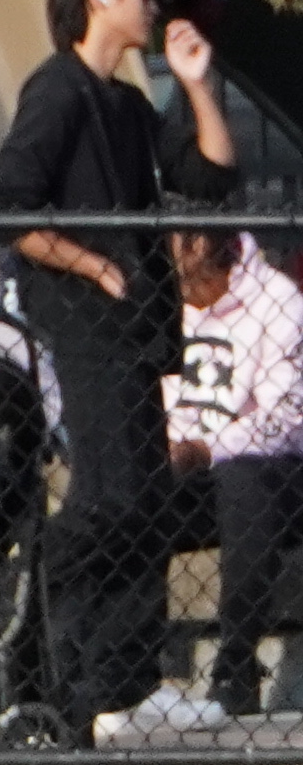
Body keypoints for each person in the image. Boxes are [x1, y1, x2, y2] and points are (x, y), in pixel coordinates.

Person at [0, 0, 236, 745]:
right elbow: (6, 205)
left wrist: (194, 84)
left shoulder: (125, 104)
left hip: (139, 333)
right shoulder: (56, 91)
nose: (152, 4)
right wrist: (91, 263)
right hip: (88, 330)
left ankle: (127, 683)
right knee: (113, 499)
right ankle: (58, 639)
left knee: (147, 503)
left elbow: (212, 172)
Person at [131, 228, 303, 737]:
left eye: (167, 242)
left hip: (267, 472)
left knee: (243, 481)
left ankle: (235, 666)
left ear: (200, 243)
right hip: (176, 469)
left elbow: (287, 420)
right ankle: (125, 678)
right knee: (115, 491)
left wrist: (208, 450)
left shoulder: (279, 301)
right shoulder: (156, 301)